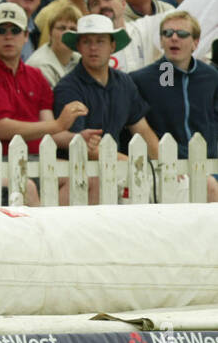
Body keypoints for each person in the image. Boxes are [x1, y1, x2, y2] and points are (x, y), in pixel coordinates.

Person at [0, 1, 88, 204]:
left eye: (15, 30)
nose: (8, 36)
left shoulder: (35, 75)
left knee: (91, 178)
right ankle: (45, 233)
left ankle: (64, 233)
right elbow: (2, 128)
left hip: (35, 160)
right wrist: (57, 124)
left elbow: (49, 128)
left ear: (26, 36)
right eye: (1, 30)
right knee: (28, 186)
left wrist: (78, 138)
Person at [52, 13, 159, 203]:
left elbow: (142, 129)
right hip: (82, 174)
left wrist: (161, 164)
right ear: (78, 47)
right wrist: (131, 163)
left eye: (100, 41)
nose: (93, 48)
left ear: (112, 46)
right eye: (87, 42)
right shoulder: (68, 87)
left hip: (118, 170)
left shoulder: (124, 82)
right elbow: (83, 145)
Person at [130, 11, 218, 201]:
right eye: (167, 34)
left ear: (195, 42)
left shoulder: (210, 77)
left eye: (182, 34)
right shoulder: (148, 78)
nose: (174, 38)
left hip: (209, 162)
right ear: (161, 42)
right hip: (168, 167)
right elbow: (167, 88)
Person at [26, 0, 83, 87]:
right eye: (62, 28)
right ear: (50, 33)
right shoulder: (39, 66)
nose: (67, 33)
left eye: (73, 29)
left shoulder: (80, 60)